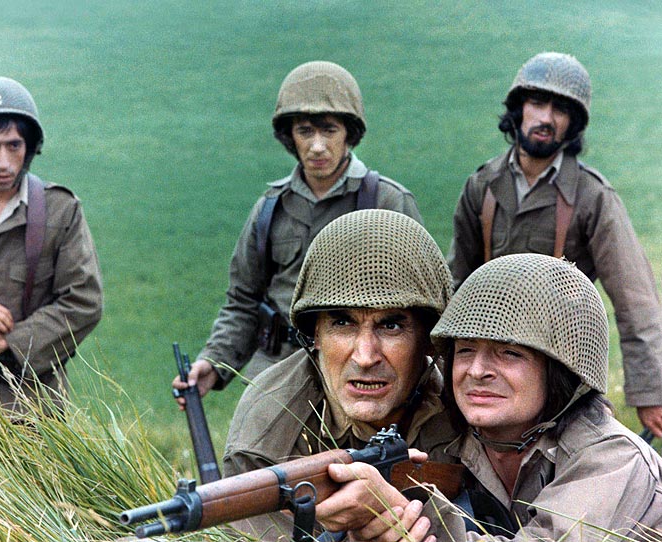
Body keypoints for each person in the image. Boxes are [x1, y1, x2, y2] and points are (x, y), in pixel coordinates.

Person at [321, 254, 662, 542]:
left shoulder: (614, 460)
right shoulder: (452, 436)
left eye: (509, 353)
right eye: (465, 350)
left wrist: (402, 518)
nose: (477, 370)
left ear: (561, 373)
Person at [172, 61, 423, 399]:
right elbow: (243, 301)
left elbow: (419, 306)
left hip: (360, 368)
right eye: (305, 131)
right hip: (276, 370)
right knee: (251, 434)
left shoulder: (388, 202)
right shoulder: (270, 208)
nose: (317, 146)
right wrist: (214, 363)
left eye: (329, 130)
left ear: (348, 133)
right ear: (290, 137)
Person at [447, 51, 662, 437]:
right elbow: (455, 288)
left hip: (562, 370)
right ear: (518, 110)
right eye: (537, 102)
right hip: (490, 364)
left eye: (560, 110)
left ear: (572, 124)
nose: (546, 118)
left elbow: (636, 301)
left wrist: (651, 393)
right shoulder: (482, 186)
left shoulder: (592, 196)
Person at [223, 209, 457, 540]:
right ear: (315, 335)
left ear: (429, 339)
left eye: (391, 325)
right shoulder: (267, 433)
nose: (365, 357)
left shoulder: (470, 397)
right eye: (342, 323)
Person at [0, 76, 103, 413]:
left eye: (14, 145)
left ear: (28, 147)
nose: (4, 162)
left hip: (33, 409)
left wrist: (11, 342)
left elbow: (83, 301)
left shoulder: (60, 210)